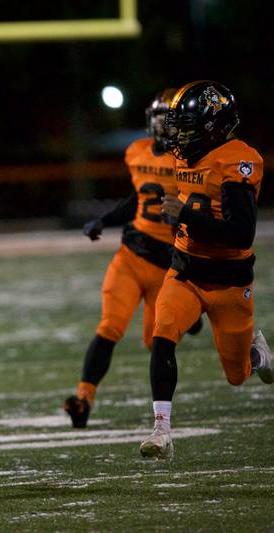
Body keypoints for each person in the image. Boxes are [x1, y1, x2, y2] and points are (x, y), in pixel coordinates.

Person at [140, 80, 273, 459]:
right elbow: (186, 205)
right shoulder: (185, 155)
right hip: (185, 270)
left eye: (188, 124)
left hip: (229, 280)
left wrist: (186, 216)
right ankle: (161, 430)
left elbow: (240, 234)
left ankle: (257, 354)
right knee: (162, 334)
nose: (179, 133)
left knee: (237, 375)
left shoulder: (237, 161)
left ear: (213, 126)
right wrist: (178, 223)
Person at [64, 89, 202, 428]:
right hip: (130, 257)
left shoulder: (191, 162)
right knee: (109, 326)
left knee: (156, 341)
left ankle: (161, 414)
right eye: (160, 122)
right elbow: (137, 200)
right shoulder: (136, 152)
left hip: (168, 266)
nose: (164, 130)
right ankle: (84, 399)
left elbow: (203, 209)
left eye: (169, 123)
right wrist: (105, 221)